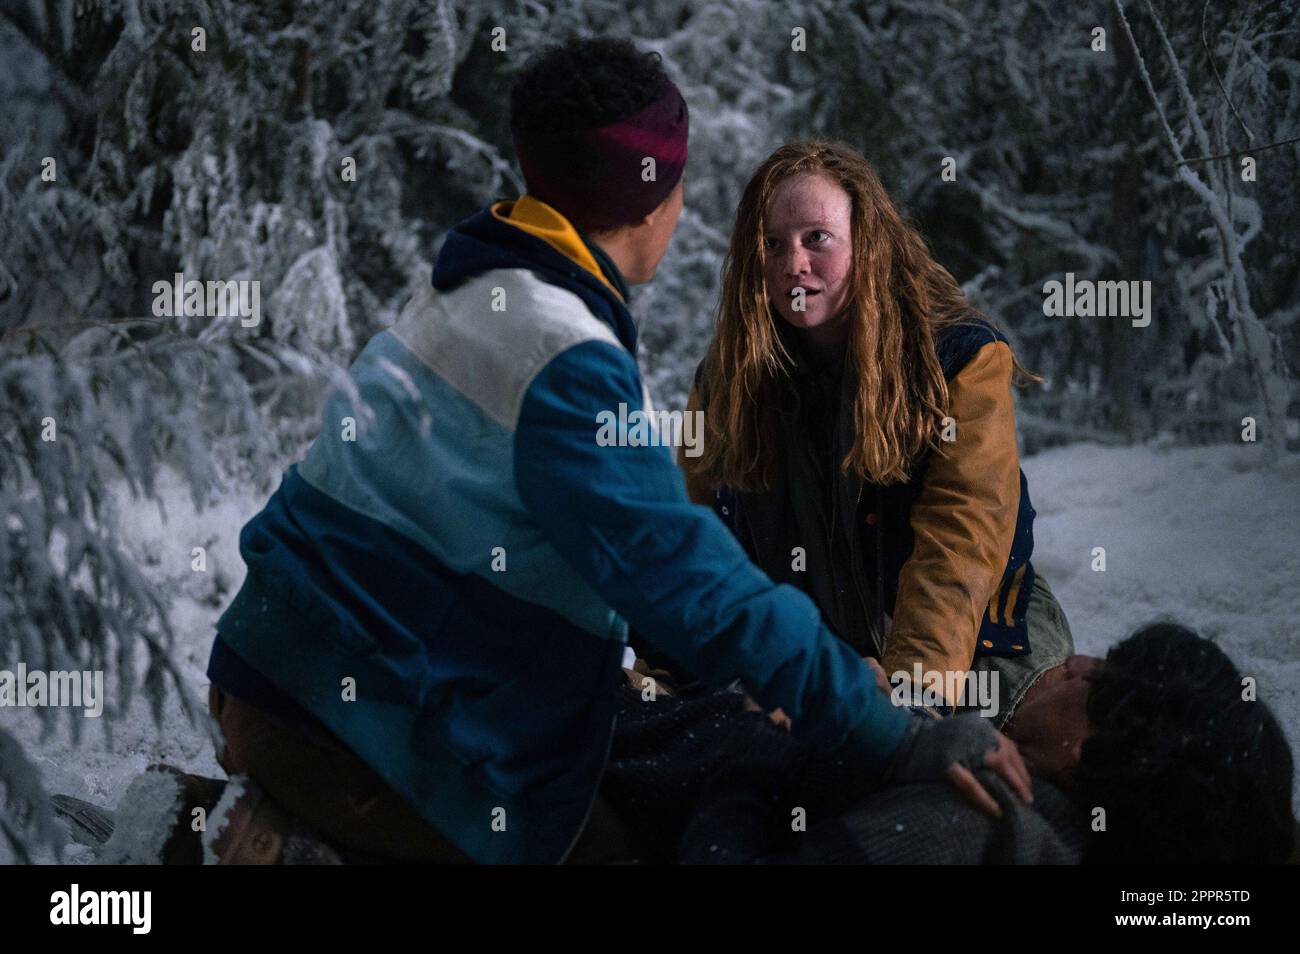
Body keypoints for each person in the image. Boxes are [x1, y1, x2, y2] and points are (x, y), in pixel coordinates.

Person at [191, 40, 1029, 865]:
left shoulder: (472, 288)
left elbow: (949, 542)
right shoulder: (566, 358)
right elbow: (687, 569)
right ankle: (268, 844)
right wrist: (884, 734)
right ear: (656, 197)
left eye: (817, 241)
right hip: (341, 725)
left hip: (270, 670)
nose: (791, 266)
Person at [679, 139, 1073, 726]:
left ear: (868, 243)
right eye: (772, 244)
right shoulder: (729, 379)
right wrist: (659, 665)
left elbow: (961, 534)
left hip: (979, 651)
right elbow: (694, 535)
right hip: (830, 664)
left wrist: (916, 693)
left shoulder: (959, 359)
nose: (794, 264)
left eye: (817, 238)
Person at [602, 623, 1296, 865]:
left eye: (1102, 684)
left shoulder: (968, 824)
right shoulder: (1002, 781)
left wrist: (773, 736)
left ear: (1101, 753)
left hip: (586, 798)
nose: (1078, 663)